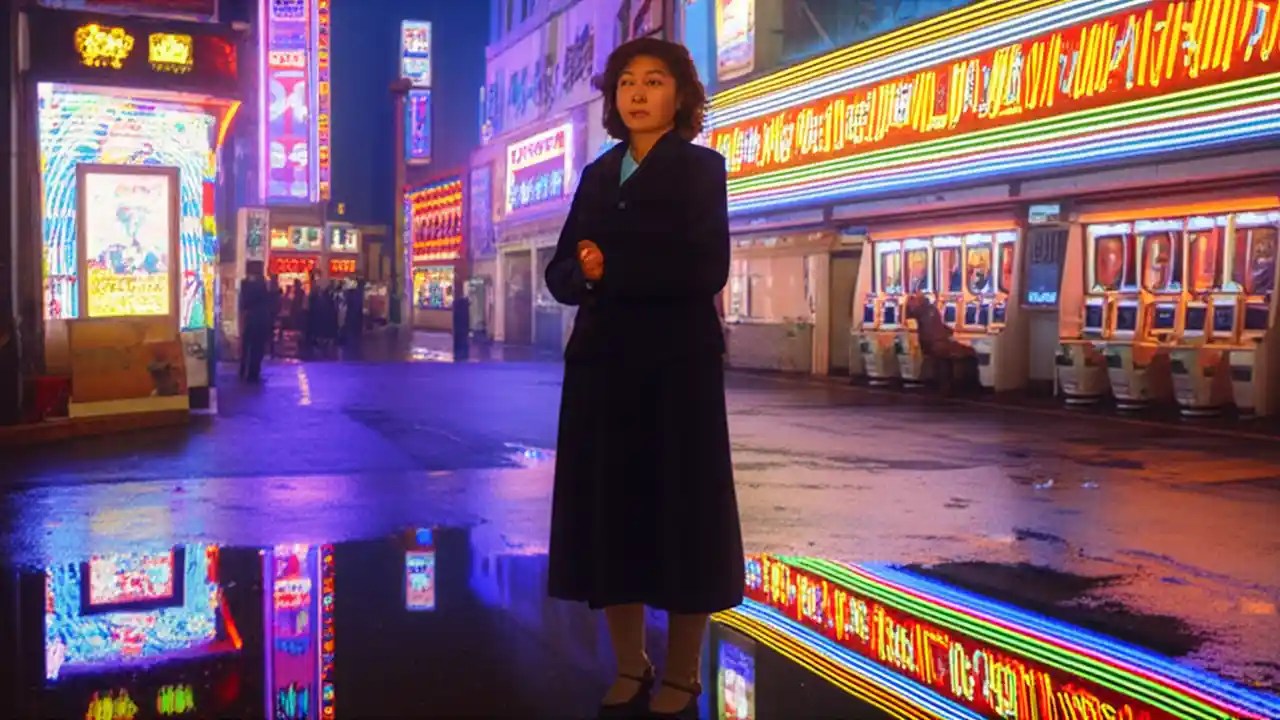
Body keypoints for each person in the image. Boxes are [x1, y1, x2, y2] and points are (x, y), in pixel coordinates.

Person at [543, 37, 743, 719]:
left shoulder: (701, 170)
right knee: (610, 516)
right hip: (601, 371)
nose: (637, 93)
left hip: (677, 372)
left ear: (681, 96)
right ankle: (630, 664)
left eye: (654, 81)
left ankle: (683, 673)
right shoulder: (598, 174)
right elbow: (560, 272)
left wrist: (612, 269)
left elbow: (706, 268)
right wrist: (582, 274)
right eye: (626, 81)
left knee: (685, 516)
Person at [238, 262, 272, 383]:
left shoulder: (245, 284)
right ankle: (253, 372)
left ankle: (244, 370)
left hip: (251, 319)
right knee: (257, 348)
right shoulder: (263, 285)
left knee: (247, 346)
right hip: (261, 319)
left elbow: (244, 303)